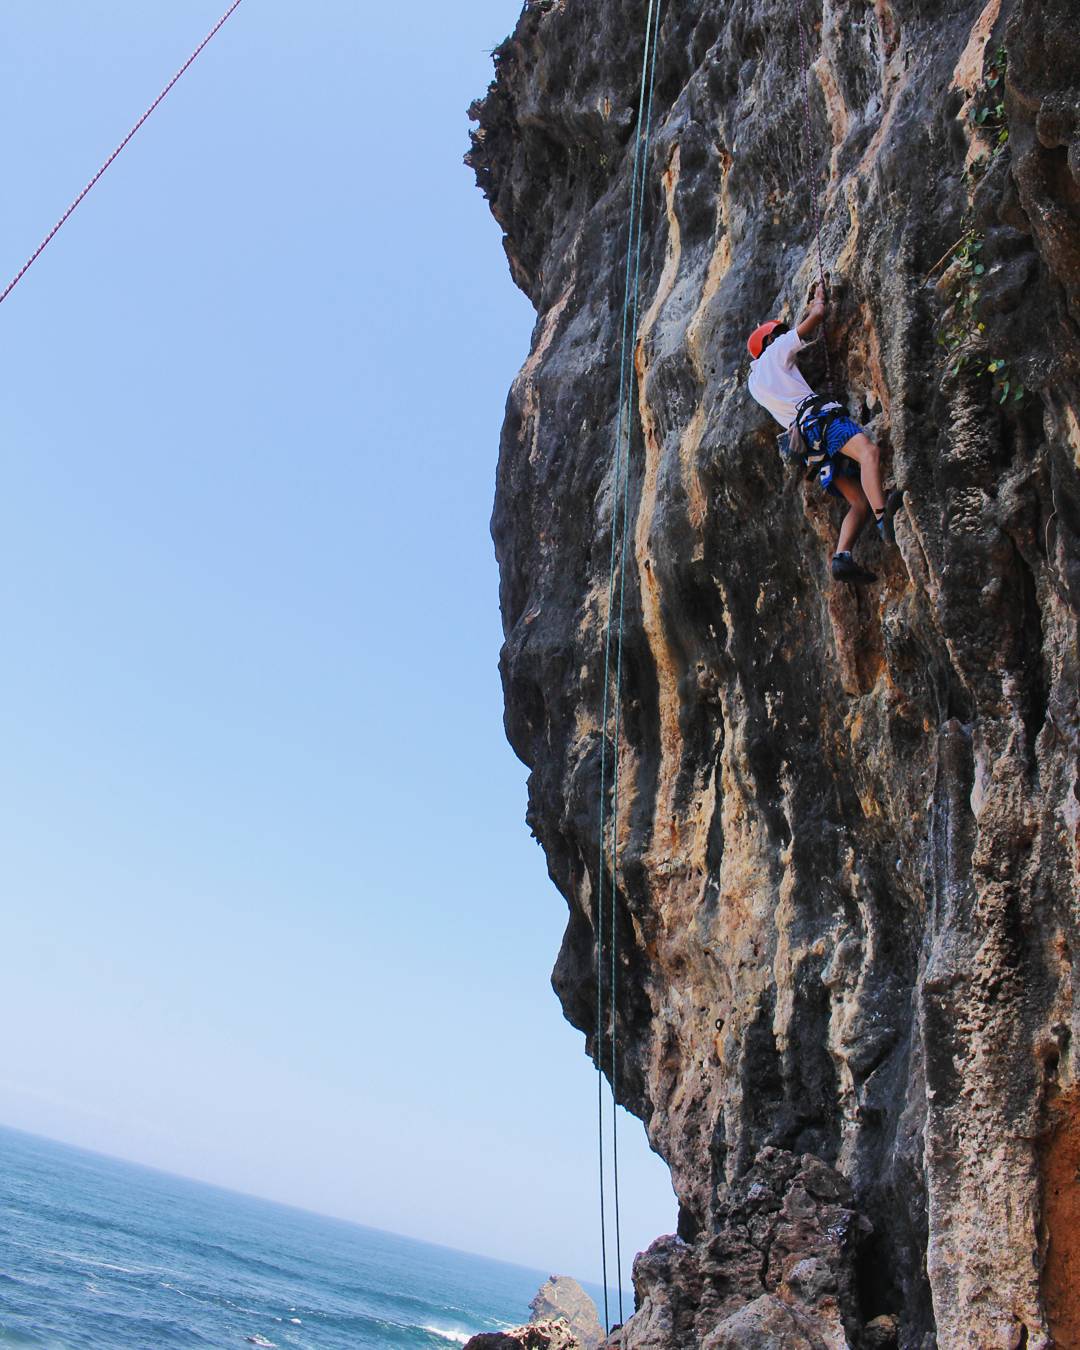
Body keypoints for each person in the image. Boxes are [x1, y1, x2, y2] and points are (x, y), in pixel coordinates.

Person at [746, 280, 902, 584]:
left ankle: (842, 556)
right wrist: (818, 298)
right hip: (820, 420)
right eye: (778, 334)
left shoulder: (754, 384)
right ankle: (885, 519)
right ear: (770, 339)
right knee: (869, 453)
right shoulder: (776, 351)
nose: (782, 336)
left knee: (857, 502)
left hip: (808, 445)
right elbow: (816, 317)